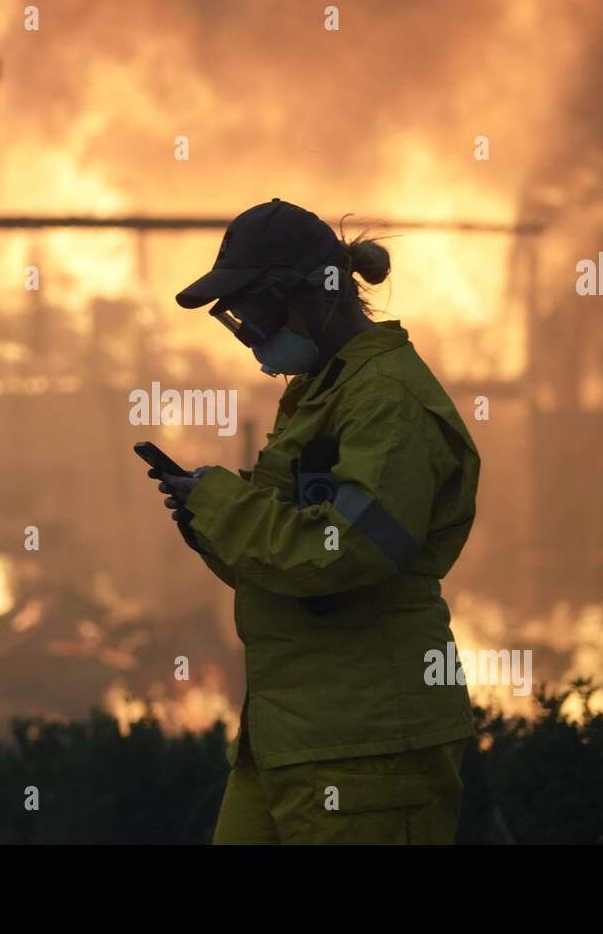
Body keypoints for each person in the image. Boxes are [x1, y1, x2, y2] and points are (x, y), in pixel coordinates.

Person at [148, 199, 481, 844]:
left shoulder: (385, 398)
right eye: (237, 319)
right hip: (287, 743)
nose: (250, 333)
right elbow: (285, 560)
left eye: (256, 312)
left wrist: (222, 506)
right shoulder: (323, 392)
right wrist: (206, 521)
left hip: (369, 752)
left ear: (315, 293)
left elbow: (342, 550)